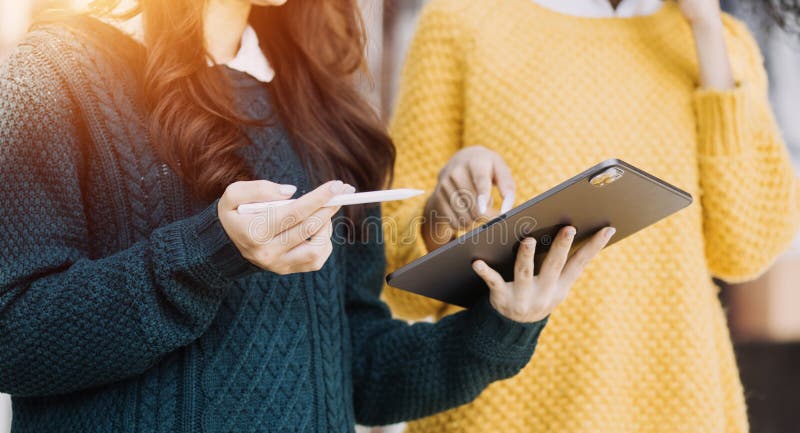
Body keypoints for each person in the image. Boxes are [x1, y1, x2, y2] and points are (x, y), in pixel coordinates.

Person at [0, 0, 617, 432]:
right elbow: (12, 338)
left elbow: (362, 372)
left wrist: (502, 323)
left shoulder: (325, 116)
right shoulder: (55, 73)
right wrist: (210, 253)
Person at [383, 0, 800, 432]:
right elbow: (398, 277)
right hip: (502, 408)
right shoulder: (460, 20)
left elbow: (746, 249)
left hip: (675, 406)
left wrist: (707, 29)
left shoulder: (719, 41)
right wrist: (439, 217)